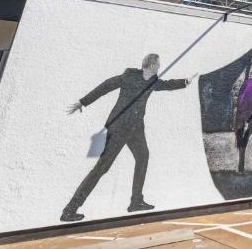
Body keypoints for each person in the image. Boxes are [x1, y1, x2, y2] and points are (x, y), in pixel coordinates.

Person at [61, 54, 190, 222]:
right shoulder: (129, 77)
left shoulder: (152, 82)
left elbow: (167, 85)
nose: (159, 67)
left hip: (136, 128)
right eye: (158, 64)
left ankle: (136, 202)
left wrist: (184, 82)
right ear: (151, 65)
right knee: (102, 168)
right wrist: (83, 102)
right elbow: (105, 86)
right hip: (119, 127)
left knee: (143, 157)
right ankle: (69, 210)